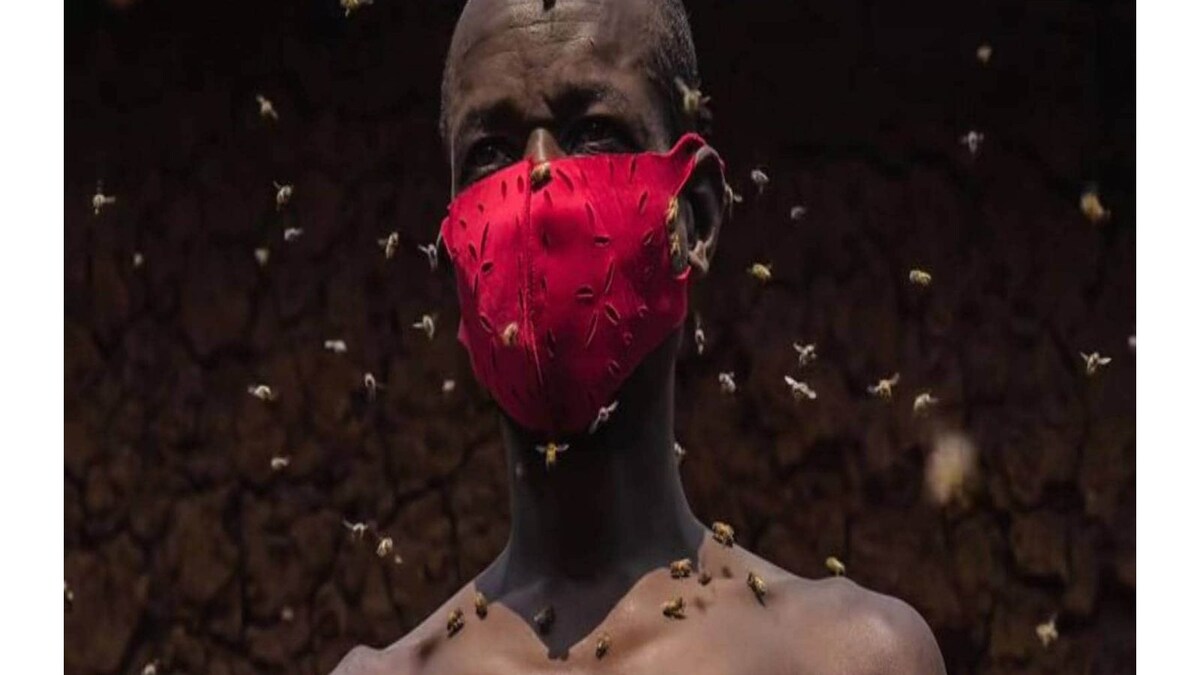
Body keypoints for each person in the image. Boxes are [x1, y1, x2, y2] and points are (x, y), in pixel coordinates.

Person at [332, 0, 946, 672]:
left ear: (697, 216)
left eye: (593, 133)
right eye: (490, 152)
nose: (538, 179)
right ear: (453, 239)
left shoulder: (849, 657)